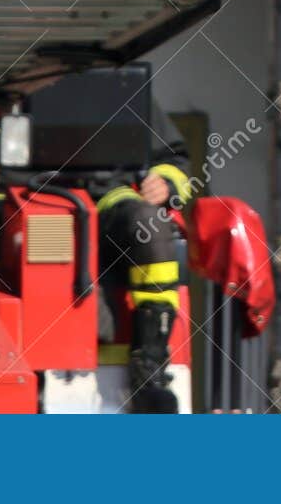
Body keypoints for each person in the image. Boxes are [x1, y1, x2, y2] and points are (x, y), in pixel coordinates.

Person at [96, 157, 194, 414]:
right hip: (22, 200)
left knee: (150, 224)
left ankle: (150, 370)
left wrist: (166, 184)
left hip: (115, 204)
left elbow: (174, 158)